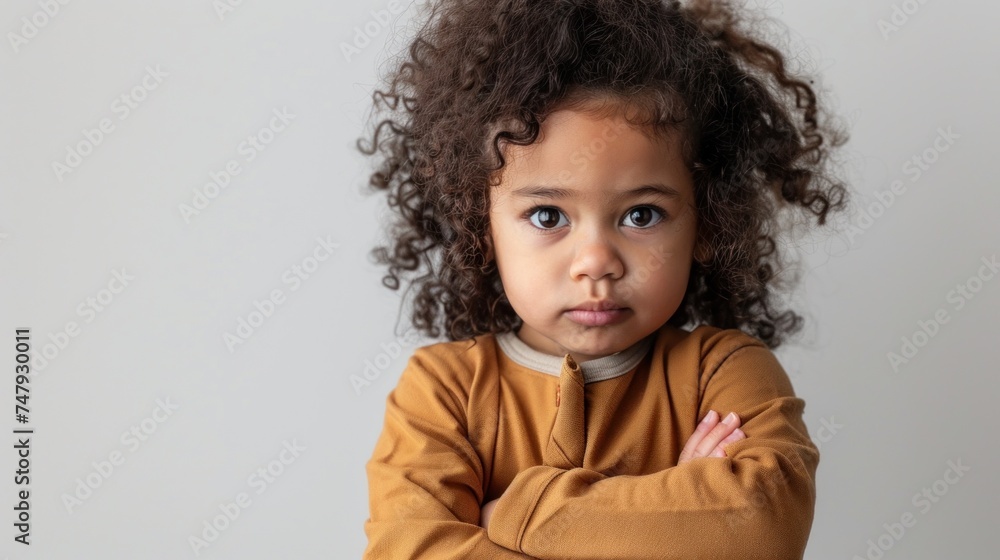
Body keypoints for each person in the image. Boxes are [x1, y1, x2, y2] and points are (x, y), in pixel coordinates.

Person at [357, 0, 850, 558]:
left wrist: (518, 514)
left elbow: (763, 527)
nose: (596, 261)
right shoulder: (442, 391)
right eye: (548, 216)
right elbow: (410, 549)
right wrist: (675, 523)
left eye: (642, 214)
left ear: (707, 222)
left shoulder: (727, 374)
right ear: (482, 226)